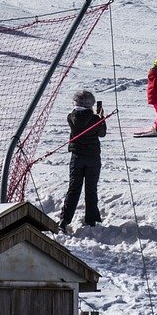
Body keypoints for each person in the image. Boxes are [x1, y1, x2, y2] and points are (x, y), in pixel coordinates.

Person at [59, 90, 106, 232]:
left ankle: (64, 219)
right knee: (91, 189)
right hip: (92, 158)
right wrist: (101, 118)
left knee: (73, 188)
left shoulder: (70, 117)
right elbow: (102, 133)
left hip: (77, 158)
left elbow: (82, 121)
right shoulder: (95, 119)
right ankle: (91, 220)